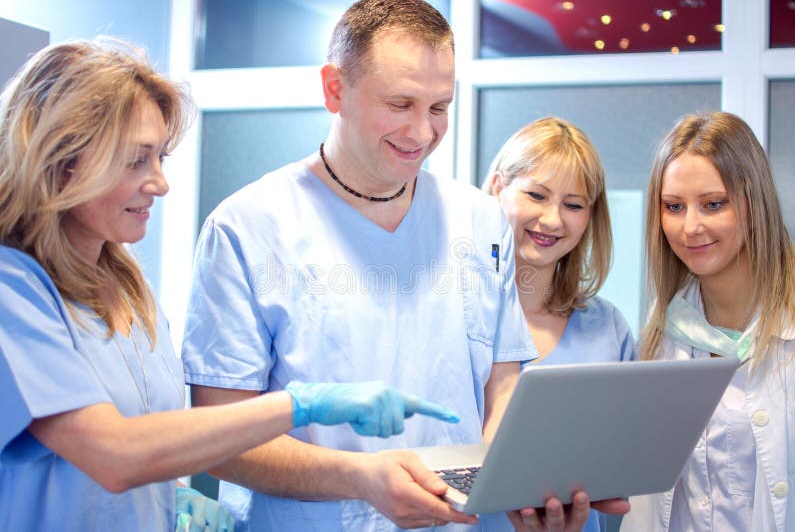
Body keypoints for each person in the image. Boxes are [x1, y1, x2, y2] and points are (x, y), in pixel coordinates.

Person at [181, 0, 631, 531]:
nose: (422, 132)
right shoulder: (247, 229)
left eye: (440, 107)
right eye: (400, 104)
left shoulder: (480, 222)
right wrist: (360, 478)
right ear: (334, 89)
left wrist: (516, 484)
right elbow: (218, 439)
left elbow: (503, 386)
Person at [0, 38, 460, 532]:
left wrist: (173, 496)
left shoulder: (127, 289)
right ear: (58, 158)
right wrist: (303, 404)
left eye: (160, 158)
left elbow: (150, 437)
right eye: (135, 160)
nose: (160, 183)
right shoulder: (13, 293)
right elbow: (114, 454)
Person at [620, 111, 795, 531]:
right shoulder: (663, 333)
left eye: (713, 204)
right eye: (674, 207)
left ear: (754, 204)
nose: (691, 227)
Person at [483, 117, 636, 531]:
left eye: (573, 205)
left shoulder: (608, 329)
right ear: (497, 188)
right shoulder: (456, 317)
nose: (552, 220)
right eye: (536, 195)